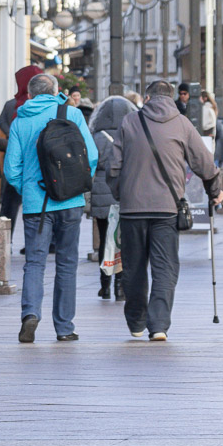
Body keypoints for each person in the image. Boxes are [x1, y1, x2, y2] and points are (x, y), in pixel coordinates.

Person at [109, 83, 221, 340]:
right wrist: (215, 190)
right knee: (165, 267)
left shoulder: (129, 121)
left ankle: (136, 322)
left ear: (147, 97)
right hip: (167, 209)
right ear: (171, 98)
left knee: (134, 267)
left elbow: (113, 166)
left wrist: (122, 193)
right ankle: (158, 325)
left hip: (132, 209)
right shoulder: (182, 123)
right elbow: (204, 163)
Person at [2, 74, 97, 342]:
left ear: (30, 95)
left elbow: (11, 169)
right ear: (56, 92)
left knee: (35, 262)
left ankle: (30, 314)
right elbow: (91, 155)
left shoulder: (20, 120)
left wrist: (28, 189)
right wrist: (75, 185)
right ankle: (65, 327)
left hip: (37, 205)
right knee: (67, 263)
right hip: (70, 202)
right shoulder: (73, 114)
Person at [87, 96, 133, 301]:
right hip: (124, 193)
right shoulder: (131, 133)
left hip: (101, 193)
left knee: (104, 240)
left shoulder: (95, 137)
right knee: (122, 241)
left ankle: (104, 285)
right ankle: (120, 286)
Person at [0, 65, 45, 240]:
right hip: (41, 162)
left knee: (9, 203)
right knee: (41, 205)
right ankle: (40, 240)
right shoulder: (49, 105)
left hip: (17, 160)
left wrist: (12, 134)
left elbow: (2, 122)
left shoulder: (12, 105)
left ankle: (5, 239)